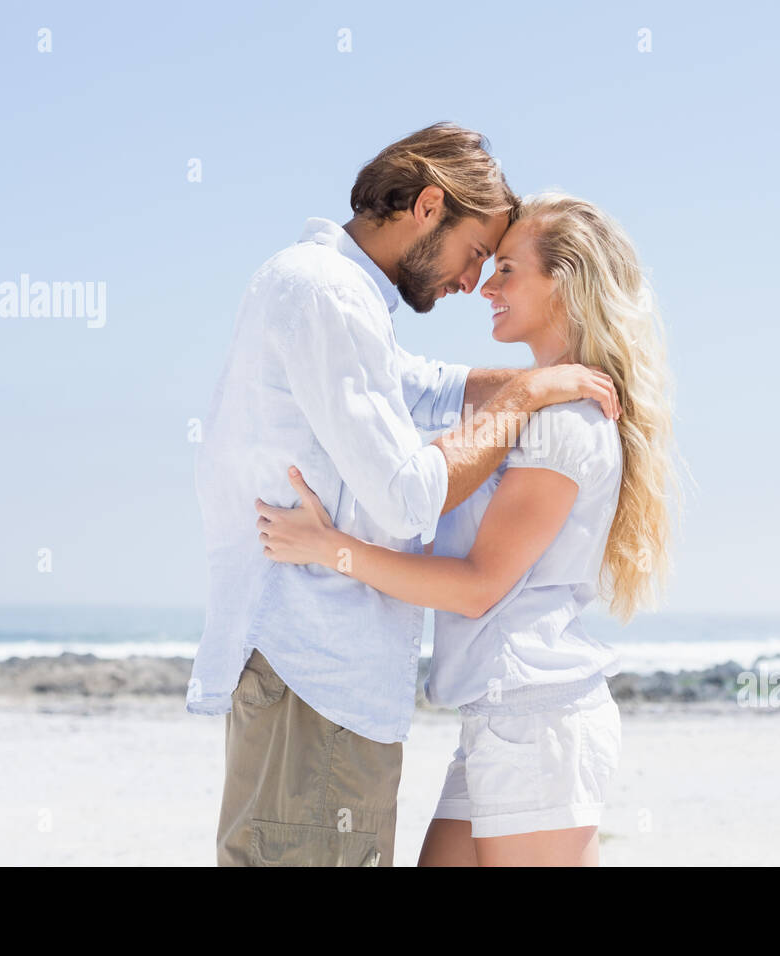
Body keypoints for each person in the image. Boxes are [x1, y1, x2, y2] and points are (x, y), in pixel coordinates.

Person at [187, 123, 622, 867]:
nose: (471, 280)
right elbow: (408, 497)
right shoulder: (326, 292)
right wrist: (526, 393)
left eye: (498, 265)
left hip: (328, 681)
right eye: (477, 254)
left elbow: (425, 388)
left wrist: (545, 382)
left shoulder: (333, 292)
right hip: (316, 671)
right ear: (428, 207)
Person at [256, 191, 677, 866]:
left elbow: (477, 585)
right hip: (504, 716)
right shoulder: (533, 411)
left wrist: (328, 549)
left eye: (507, 268)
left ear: (563, 282)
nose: (485, 287)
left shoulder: (563, 426)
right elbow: (407, 409)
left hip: (536, 718)